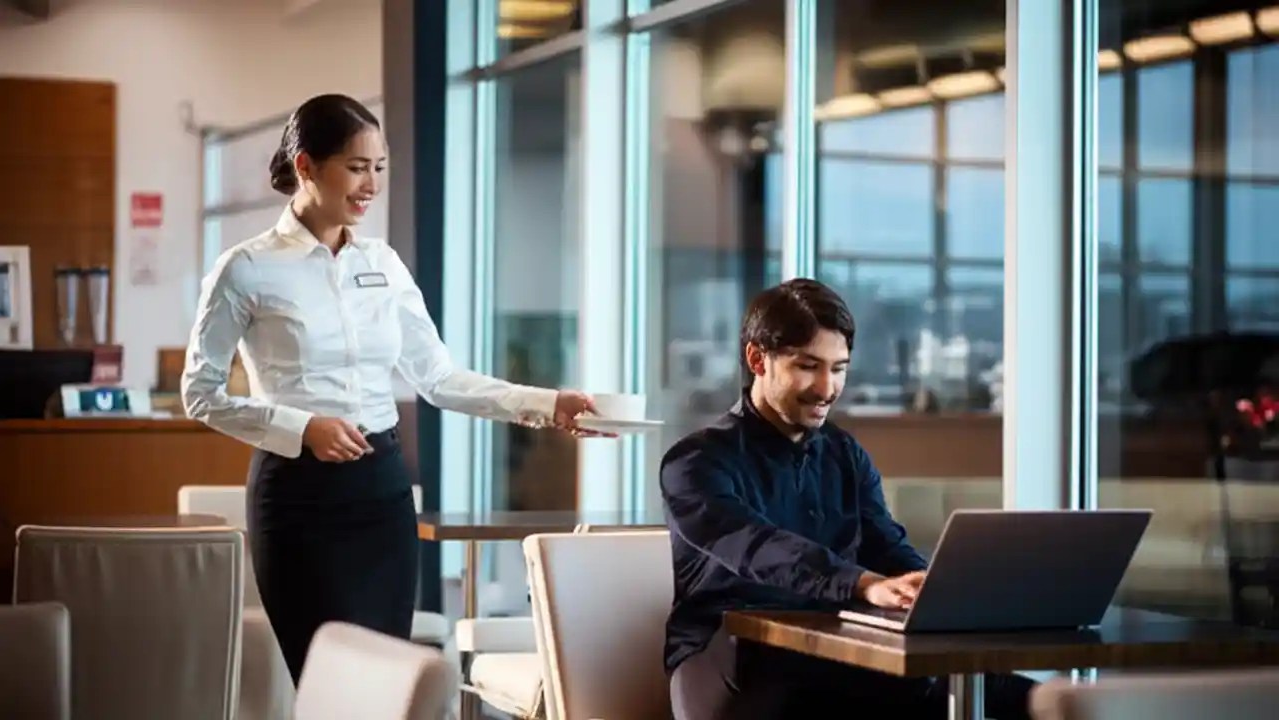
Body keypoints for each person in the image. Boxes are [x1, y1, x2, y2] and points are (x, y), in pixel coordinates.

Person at [182, 93, 603, 682]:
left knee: (381, 684)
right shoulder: (245, 268)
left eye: (379, 167)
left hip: (381, 493)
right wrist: (303, 429)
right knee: (327, 685)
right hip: (297, 497)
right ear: (306, 166)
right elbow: (201, 393)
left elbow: (439, 378)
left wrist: (546, 403)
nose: (370, 183)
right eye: (356, 167)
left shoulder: (384, 264)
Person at [660, 279, 1035, 719]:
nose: (826, 388)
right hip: (729, 665)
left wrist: (927, 589)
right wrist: (863, 584)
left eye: (838, 369)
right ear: (757, 359)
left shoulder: (844, 455)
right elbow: (756, 546)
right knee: (887, 685)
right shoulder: (694, 462)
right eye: (808, 366)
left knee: (1016, 694)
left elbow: (886, 545)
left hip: (834, 655)